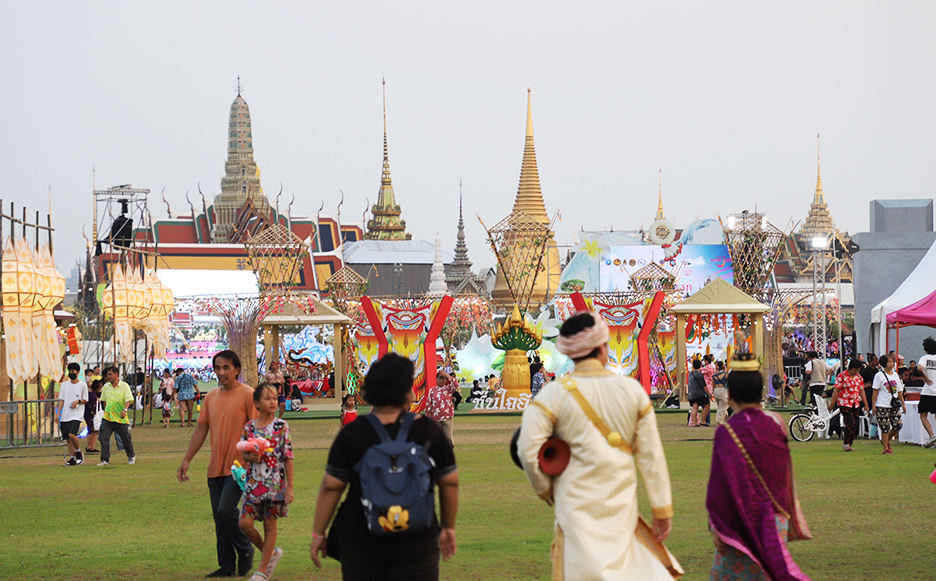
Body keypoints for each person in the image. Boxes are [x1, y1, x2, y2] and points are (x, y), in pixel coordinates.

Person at [517, 312, 676, 580]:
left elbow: (526, 449)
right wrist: (661, 508)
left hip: (573, 506)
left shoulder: (553, 394)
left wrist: (546, 490)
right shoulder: (632, 391)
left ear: (570, 353)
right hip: (621, 508)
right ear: (603, 348)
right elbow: (652, 456)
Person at [309, 353, 458, 580]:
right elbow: (449, 482)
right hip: (418, 541)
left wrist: (318, 533)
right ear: (406, 391)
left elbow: (331, 486)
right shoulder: (428, 431)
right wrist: (448, 527)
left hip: (361, 542)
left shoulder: (353, 433)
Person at [706, 353, 812, 580]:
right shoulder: (776, 423)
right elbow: (784, 475)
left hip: (738, 524)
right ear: (760, 391)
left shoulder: (726, 432)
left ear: (730, 394)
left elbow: (718, 486)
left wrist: (717, 527)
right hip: (774, 520)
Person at [177, 350, 259, 578]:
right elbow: (201, 429)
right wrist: (187, 459)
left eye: (226, 368)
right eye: (217, 368)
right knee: (220, 518)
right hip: (215, 467)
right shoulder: (211, 397)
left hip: (239, 467)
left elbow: (257, 430)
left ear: (237, 369)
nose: (221, 372)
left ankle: (245, 548)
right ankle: (227, 566)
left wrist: (253, 460)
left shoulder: (248, 395)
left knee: (226, 508)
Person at [239, 382, 294, 581]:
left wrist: (290, 487)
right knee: (245, 523)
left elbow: (288, 456)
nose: (273, 402)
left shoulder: (281, 426)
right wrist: (249, 457)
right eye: (267, 398)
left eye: (275, 398)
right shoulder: (249, 427)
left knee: (270, 526)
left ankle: (261, 572)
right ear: (257, 403)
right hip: (253, 483)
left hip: (275, 484)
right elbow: (244, 453)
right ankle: (270, 553)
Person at [97, 366, 136, 467]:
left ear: (116, 374)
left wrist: (125, 410)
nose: (108, 376)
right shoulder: (106, 387)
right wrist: (106, 411)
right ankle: (105, 459)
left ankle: (131, 455)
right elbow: (104, 400)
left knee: (125, 438)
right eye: (107, 375)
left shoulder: (124, 386)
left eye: (110, 374)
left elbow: (128, 400)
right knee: (103, 438)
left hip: (120, 418)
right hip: (108, 417)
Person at [830, 359, 871, 452]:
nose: (857, 372)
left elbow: (861, 390)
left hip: (855, 402)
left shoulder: (859, 377)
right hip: (844, 402)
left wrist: (866, 404)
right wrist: (832, 403)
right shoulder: (842, 376)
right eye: (855, 370)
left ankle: (849, 442)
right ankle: (846, 443)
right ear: (850, 368)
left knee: (855, 424)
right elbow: (836, 390)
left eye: (858, 370)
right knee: (850, 422)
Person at [872, 354, 905, 455]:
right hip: (882, 404)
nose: (891, 364)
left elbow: (899, 391)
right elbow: (875, 392)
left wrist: (903, 403)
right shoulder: (879, 376)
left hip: (894, 404)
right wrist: (873, 405)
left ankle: (885, 441)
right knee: (885, 427)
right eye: (889, 362)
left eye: (892, 362)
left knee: (898, 425)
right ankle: (885, 447)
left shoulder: (895, 375)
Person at [59, 362, 88, 466]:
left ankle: (79, 452)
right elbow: (61, 399)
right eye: (70, 371)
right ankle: (72, 458)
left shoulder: (82, 385)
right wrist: (58, 414)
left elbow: (85, 399)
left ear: (78, 372)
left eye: (73, 371)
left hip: (76, 414)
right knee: (68, 438)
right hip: (65, 415)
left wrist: (78, 401)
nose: (71, 373)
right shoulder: (64, 385)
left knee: (72, 434)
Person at [425, 368, 459, 446]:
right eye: (440, 378)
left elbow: (456, 384)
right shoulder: (432, 391)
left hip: (447, 417)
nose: (441, 380)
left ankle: (448, 451)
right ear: (436, 379)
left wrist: (447, 375)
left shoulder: (448, 389)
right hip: (435, 418)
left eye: (444, 378)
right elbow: (428, 405)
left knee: (448, 438)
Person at [917, 337, 936, 448]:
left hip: (928, 391)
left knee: (923, 415)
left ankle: (932, 435)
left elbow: (919, 368)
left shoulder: (925, 358)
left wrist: (925, 377)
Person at [687, 359, 712, 427]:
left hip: (691, 393)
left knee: (694, 407)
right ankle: (703, 421)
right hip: (699, 394)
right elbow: (704, 385)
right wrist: (709, 393)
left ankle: (694, 422)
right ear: (700, 365)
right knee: (707, 405)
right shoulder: (699, 374)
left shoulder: (690, 374)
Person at [84, 379, 102, 454]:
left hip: (93, 414)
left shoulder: (95, 394)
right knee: (91, 429)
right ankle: (89, 446)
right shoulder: (90, 395)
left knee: (95, 430)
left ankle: (92, 446)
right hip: (90, 414)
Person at [712, 360, 730, 426]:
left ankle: (727, 421)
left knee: (721, 406)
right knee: (722, 407)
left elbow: (713, 385)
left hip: (716, 390)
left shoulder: (714, 376)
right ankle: (719, 422)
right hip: (722, 390)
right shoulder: (726, 375)